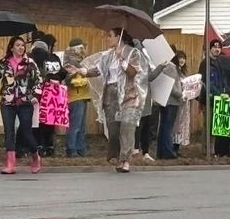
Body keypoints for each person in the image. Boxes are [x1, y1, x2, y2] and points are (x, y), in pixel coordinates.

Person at [66, 28, 148, 173]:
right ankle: (115, 155)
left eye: (109, 36)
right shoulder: (107, 55)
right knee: (114, 130)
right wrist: (79, 71)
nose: (106, 38)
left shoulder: (133, 53)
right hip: (111, 94)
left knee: (127, 127)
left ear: (119, 37)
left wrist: (122, 58)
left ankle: (125, 160)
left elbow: (133, 73)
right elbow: (96, 70)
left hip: (129, 95)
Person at [0, 36, 42, 175]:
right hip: (8, 101)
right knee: (9, 131)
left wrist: (34, 96)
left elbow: (39, 81)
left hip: (25, 101)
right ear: (11, 47)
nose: (21, 48)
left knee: (25, 130)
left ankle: (35, 156)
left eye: (22, 45)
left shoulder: (30, 63)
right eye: (17, 45)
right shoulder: (4, 63)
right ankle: (10, 163)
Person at [198, 39, 230, 156]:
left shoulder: (221, 63)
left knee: (219, 126)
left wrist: (225, 91)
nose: (217, 49)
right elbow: (205, 83)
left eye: (219, 47)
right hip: (209, 99)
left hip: (222, 98)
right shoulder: (205, 63)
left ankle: (216, 151)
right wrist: (217, 93)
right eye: (214, 47)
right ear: (210, 48)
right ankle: (206, 151)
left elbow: (224, 80)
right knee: (209, 125)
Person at [152, 47, 184, 160]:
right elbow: (170, 86)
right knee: (167, 127)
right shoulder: (171, 67)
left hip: (165, 100)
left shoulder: (164, 66)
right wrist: (181, 94)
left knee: (163, 127)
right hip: (171, 101)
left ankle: (161, 152)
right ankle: (168, 152)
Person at [63, 38, 91, 157]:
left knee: (81, 126)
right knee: (75, 125)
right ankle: (72, 149)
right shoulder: (70, 63)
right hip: (75, 97)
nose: (84, 50)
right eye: (82, 47)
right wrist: (83, 81)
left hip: (82, 96)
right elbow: (68, 81)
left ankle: (80, 148)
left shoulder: (81, 62)